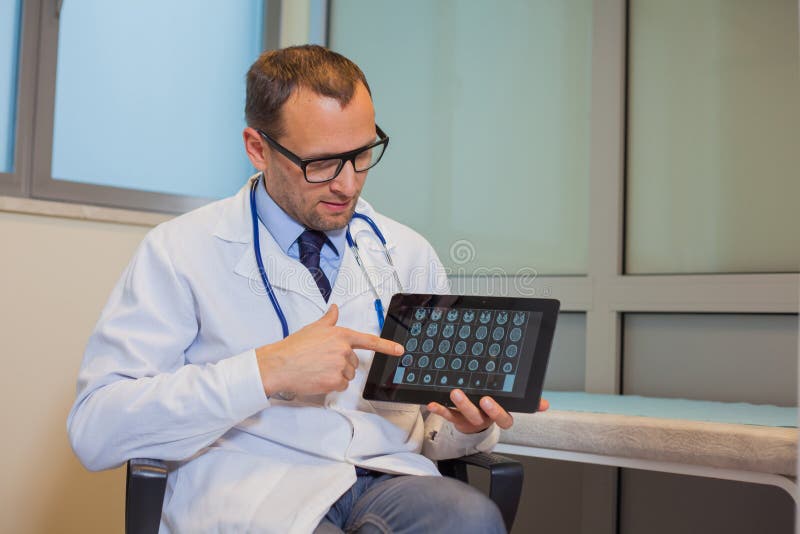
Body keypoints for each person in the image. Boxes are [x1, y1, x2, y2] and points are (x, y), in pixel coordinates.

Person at [68, 45, 538, 533]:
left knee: (469, 518)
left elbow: (434, 428)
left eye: (361, 155)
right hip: (254, 490)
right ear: (258, 147)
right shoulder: (179, 251)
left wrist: (467, 429)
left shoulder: (407, 252)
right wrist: (265, 371)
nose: (348, 185)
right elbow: (97, 428)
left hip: (389, 481)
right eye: (322, 164)